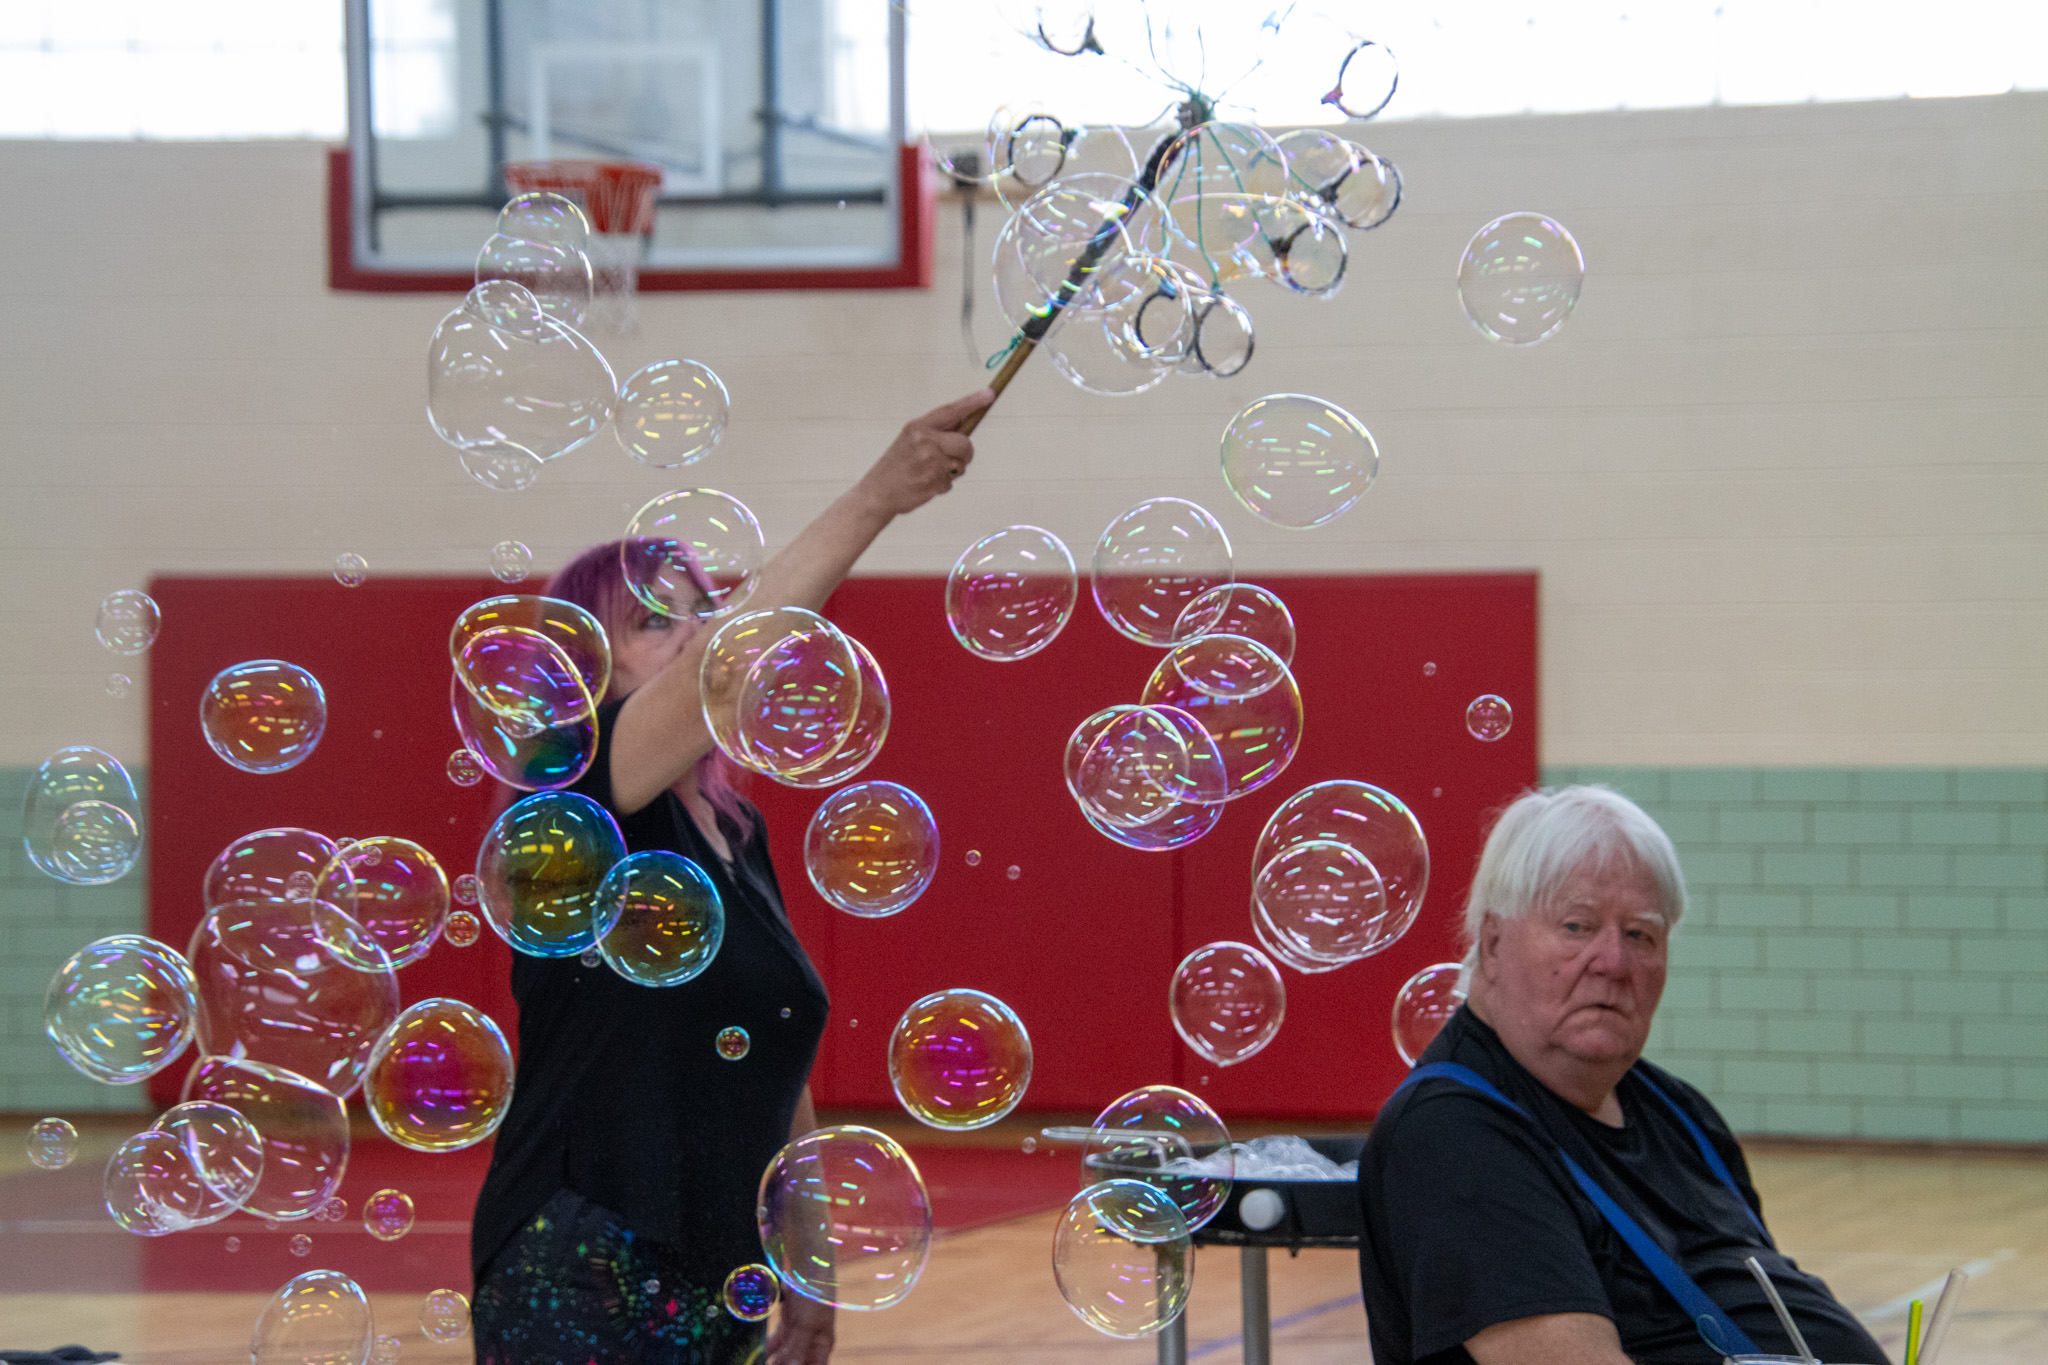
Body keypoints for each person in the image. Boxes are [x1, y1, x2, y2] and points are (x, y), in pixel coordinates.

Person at [469, 388, 995, 1365]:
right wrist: (880, 495)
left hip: (718, 1271)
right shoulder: (584, 787)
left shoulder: (736, 840)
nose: (688, 630)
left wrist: (808, 1269)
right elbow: (726, 660)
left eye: (696, 609)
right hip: (581, 1257)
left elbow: (773, 1056)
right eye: (649, 621)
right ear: (592, 666)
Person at [1357, 786, 1887, 1365]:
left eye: (1640, 935)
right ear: (1494, 941)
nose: (1613, 963)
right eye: (1577, 927)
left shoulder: (1679, 1111)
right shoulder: (1455, 1134)